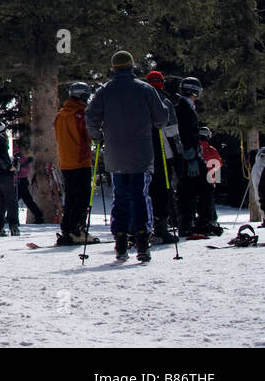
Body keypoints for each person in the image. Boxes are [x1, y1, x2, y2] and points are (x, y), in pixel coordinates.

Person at [85, 50, 169, 262]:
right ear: (132, 66)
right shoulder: (145, 89)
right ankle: (142, 244)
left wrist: (97, 137)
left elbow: (91, 117)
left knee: (120, 198)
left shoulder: (105, 91)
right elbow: (161, 120)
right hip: (141, 154)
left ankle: (121, 243)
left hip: (115, 154)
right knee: (140, 197)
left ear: (114, 68)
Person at [54, 83, 97, 244]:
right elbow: (87, 135)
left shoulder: (61, 114)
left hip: (65, 161)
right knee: (82, 198)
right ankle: (77, 230)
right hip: (80, 160)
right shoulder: (80, 113)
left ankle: (68, 229)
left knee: (71, 197)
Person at [143, 71, 181, 242]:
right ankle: (161, 227)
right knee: (161, 189)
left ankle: (142, 226)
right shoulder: (164, 100)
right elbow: (172, 130)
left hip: (140, 152)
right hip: (162, 151)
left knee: (144, 190)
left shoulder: (139, 98)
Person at [172, 77, 205, 236]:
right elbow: (186, 133)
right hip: (187, 157)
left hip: (190, 155)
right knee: (188, 191)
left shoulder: (186, 107)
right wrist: (190, 155)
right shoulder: (183, 108)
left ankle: (193, 222)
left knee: (197, 189)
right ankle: (186, 225)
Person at [14, 144, 45, 224]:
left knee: (14, 200)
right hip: (21, 181)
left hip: (21, 181)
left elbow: (24, 169)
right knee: (28, 200)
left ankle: (11, 218)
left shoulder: (21, 156)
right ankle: (39, 215)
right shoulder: (19, 156)